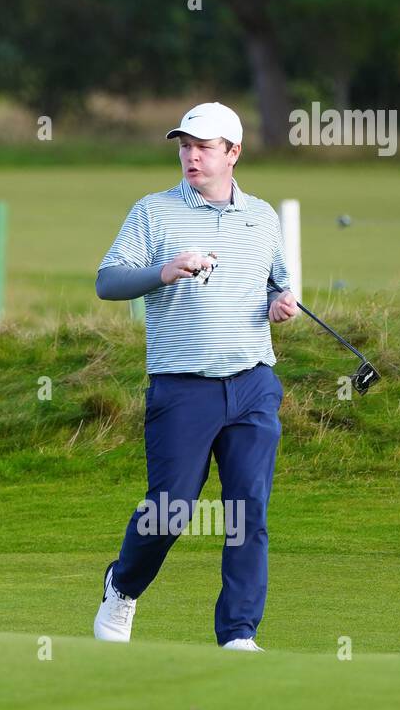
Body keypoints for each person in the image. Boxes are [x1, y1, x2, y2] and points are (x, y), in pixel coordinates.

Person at [92, 101, 297, 651]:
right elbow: (107, 282)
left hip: (253, 381)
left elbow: (277, 283)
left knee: (247, 509)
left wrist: (282, 302)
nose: (191, 155)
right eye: (185, 145)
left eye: (204, 147)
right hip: (183, 386)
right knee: (172, 507)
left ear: (234, 153)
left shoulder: (262, 216)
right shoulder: (153, 213)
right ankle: (123, 585)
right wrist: (163, 271)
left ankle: (238, 633)